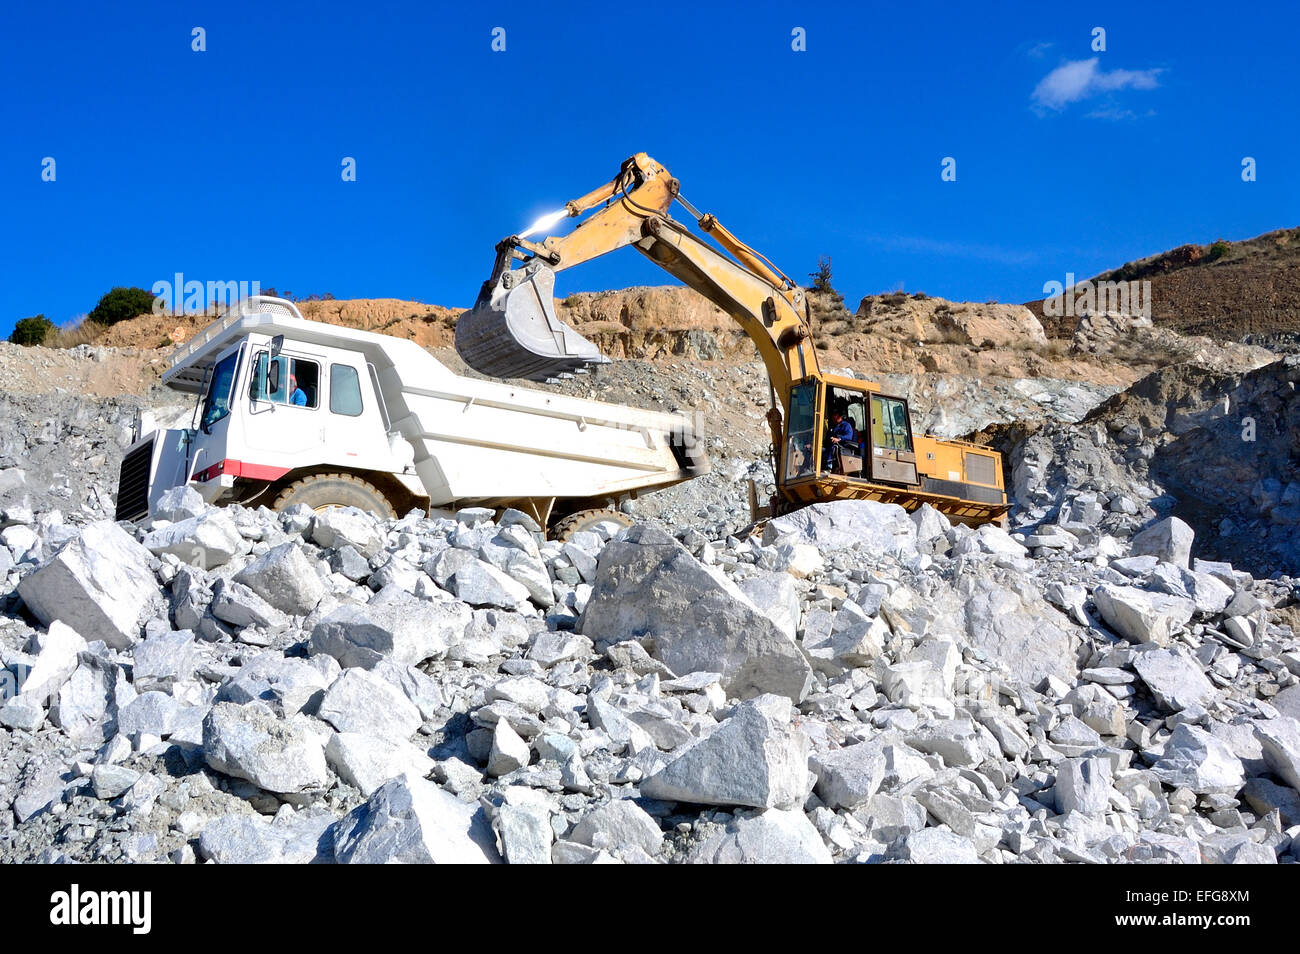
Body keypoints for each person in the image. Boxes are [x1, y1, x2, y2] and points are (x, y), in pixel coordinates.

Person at [824, 406, 856, 471]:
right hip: (830, 445)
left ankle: (829, 467)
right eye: (833, 415)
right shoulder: (832, 427)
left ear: (839, 416)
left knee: (833, 447)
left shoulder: (846, 425)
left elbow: (849, 436)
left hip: (843, 446)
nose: (833, 417)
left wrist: (839, 439)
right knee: (821, 449)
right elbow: (827, 438)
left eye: (835, 415)